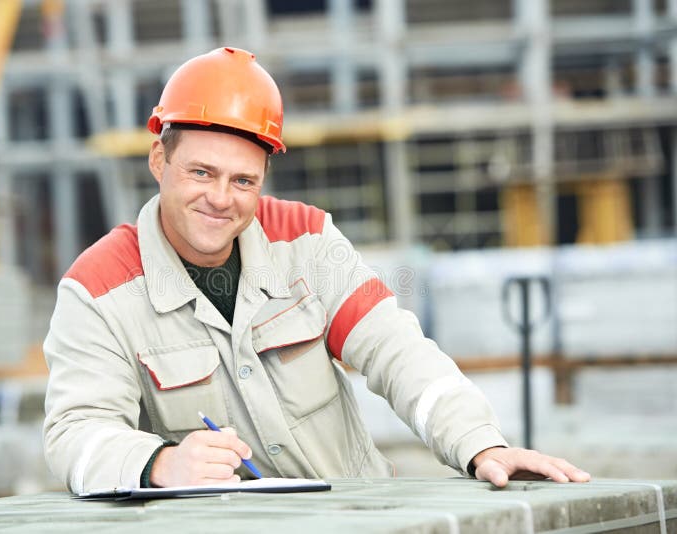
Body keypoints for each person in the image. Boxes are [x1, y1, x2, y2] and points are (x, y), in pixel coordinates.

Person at [42, 47, 590, 493]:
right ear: (159, 160)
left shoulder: (305, 241)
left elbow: (397, 350)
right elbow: (75, 432)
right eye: (201, 173)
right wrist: (160, 463)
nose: (221, 198)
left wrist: (480, 444)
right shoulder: (98, 288)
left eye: (243, 181)